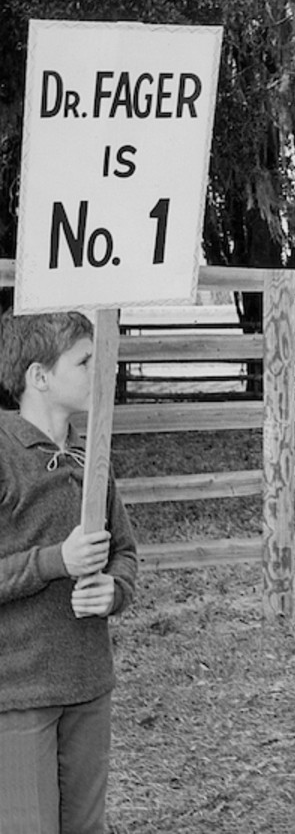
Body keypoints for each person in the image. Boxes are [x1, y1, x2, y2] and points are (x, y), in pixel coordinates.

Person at [0, 310, 138, 833]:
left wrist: (113, 589)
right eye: (86, 361)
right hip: (16, 695)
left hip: (88, 683)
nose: (104, 372)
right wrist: (55, 561)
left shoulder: (91, 455)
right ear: (39, 377)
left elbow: (123, 551)